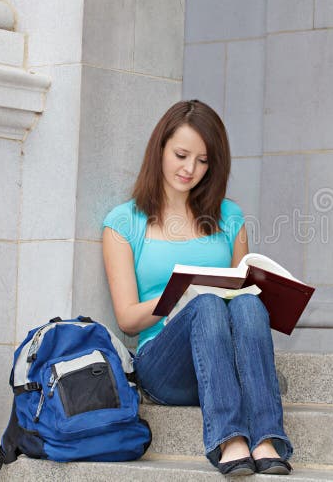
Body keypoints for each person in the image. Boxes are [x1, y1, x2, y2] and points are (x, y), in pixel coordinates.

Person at [101, 100, 293, 476]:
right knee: (205, 303)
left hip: (226, 355)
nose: (190, 169)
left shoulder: (229, 217)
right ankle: (229, 437)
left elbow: (243, 292)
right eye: (181, 155)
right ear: (160, 149)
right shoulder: (124, 222)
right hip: (164, 362)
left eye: (203, 160)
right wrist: (180, 294)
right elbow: (127, 319)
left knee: (248, 305)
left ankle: (266, 438)